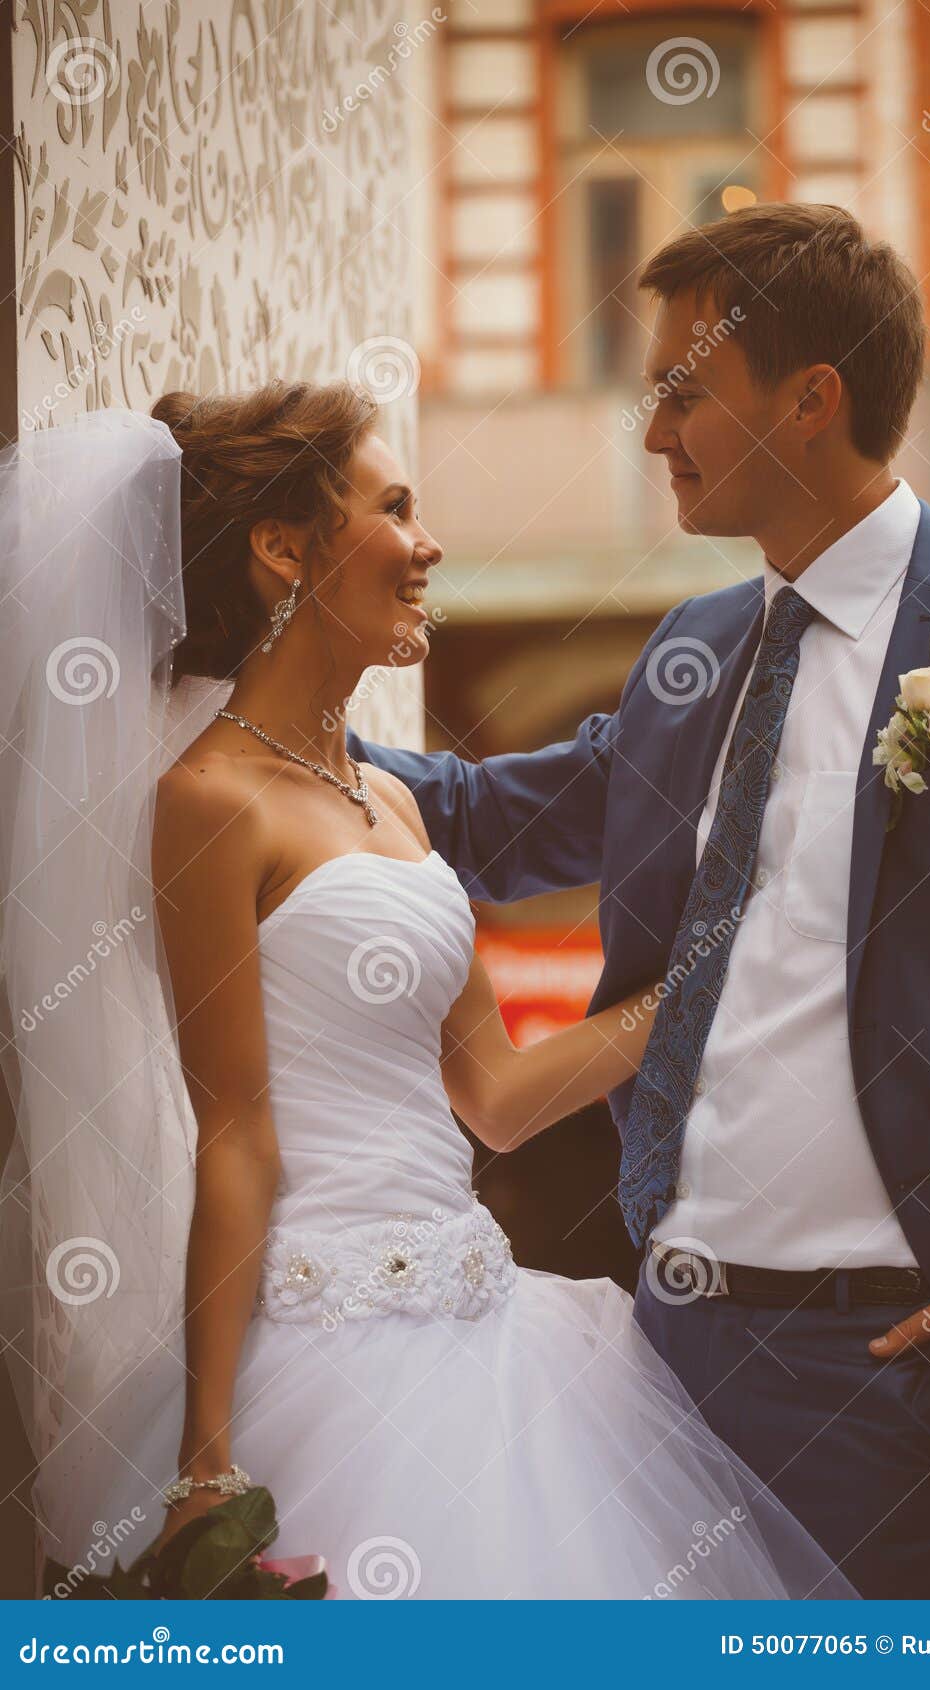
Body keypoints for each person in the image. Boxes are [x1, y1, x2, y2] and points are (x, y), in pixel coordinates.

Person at [0, 392, 852, 1601]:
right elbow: (233, 1132)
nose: (429, 541)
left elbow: (496, 1098)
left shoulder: (386, 803)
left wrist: (710, 974)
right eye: (395, 507)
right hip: (325, 1356)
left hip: (490, 1323)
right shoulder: (208, 803)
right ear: (284, 550)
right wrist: (203, 1454)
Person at [353, 202, 930, 1600]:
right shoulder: (695, 647)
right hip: (661, 1364)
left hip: (914, 1379)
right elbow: (490, 820)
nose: (648, 431)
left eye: (682, 391)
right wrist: (251, 723)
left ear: (810, 401)